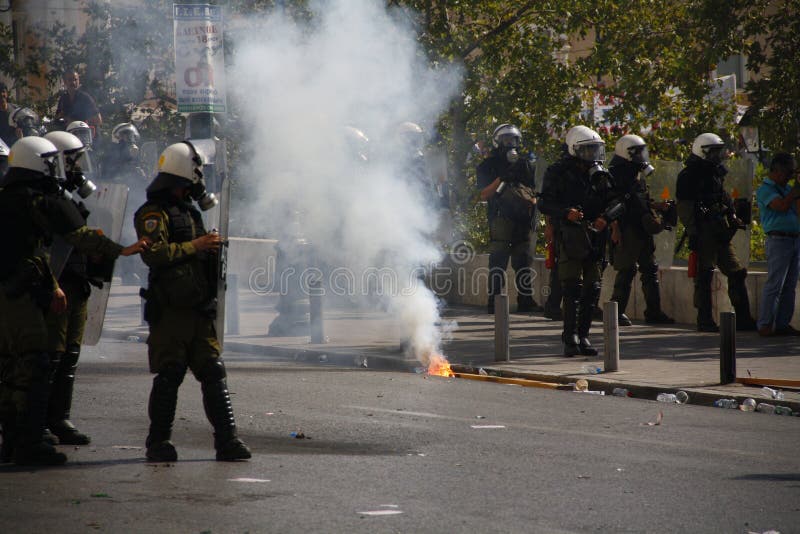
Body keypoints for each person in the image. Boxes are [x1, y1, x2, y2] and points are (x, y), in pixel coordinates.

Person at [0, 137, 148, 465]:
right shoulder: (38, 201)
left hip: (15, 288)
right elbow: (76, 236)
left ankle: (13, 440)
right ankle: (30, 444)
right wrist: (121, 250)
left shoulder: (10, 198)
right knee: (35, 363)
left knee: (12, 368)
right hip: (22, 292)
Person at [134, 141, 251, 462]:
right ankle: (158, 442)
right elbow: (154, 254)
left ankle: (227, 441)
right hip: (171, 311)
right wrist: (196, 245)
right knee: (170, 374)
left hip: (199, 308)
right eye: (196, 170)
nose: (200, 177)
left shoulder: (190, 211)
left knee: (213, 371)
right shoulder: (152, 213)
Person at [41, 131, 100, 445]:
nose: (80, 168)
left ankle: (59, 417)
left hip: (77, 284)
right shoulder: (46, 200)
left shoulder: (69, 198)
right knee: (50, 356)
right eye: (74, 161)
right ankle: (37, 423)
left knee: (69, 357)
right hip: (56, 287)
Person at [539, 126, 618, 356]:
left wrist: (606, 217)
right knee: (572, 288)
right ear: (575, 149)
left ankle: (584, 335)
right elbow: (544, 203)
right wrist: (566, 212)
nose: (593, 154)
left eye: (595, 149)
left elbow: (618, 201)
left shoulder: (601, 174)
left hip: (596, 235)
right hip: (571, 235)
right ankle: (570, 337)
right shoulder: (558, 172)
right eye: (587, 150)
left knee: (592, 289)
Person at [676, 132, 757, 332]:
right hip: (703, 232)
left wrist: (732, 214)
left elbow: (723, 197)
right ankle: (704, 319)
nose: (717, 156)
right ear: (702, 151)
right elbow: (685, 208)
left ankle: (744, 319)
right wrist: (694, 232)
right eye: (713, 152)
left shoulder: (714, 172)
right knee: (704, 276)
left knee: (737, 273)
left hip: (720, 230)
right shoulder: (688, 175)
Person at [607, 134, 674, 326]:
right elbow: (611, 204)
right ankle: (616, 312)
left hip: (642, 228)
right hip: (626, 228)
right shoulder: (615, 174)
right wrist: (615, 228)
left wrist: (657, 207)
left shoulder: (636, 173)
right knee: (626, 271)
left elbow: (640, 199)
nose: (640, 156)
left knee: (649, 270)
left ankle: (654, 312)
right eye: (635, 152)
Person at [477, 123, 539, 314]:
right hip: (500, 218)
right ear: (498, 142)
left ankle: (526, 301)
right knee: (498, 261)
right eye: (506, 140)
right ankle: (494, 301)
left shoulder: (525, 163)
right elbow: (484, 195)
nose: (510, 144)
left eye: (513, 140)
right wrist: (501, 178)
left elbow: (534, 191)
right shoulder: (488, 165)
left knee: (523, 261)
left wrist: (532, 211)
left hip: (522, 218)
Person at [756, 153, 800, 336]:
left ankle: (783, 323)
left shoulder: (788, 189)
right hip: (778, 240)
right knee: (775, 284)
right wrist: (794, 191)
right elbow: (780, 206)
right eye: (787, 172)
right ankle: (765, 323)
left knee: (790, 285)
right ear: (777, 171)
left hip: (794, 238)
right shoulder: (766, 189)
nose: (788, 177)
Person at [55, 70, 102, 138]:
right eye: (70, 80)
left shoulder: (85, 98)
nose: (73, 82)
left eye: (75, 79)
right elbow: (57, 118)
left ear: (78, 81)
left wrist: (75, 122)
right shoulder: (63, 99)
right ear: (65, 82)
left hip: (89, 138)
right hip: (72, 137)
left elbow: (98, 120)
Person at [0, 82, 21, 147]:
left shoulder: (17, 110)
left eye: (3, 91)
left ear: (7, 93)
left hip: (16, 148)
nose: (1, 94)